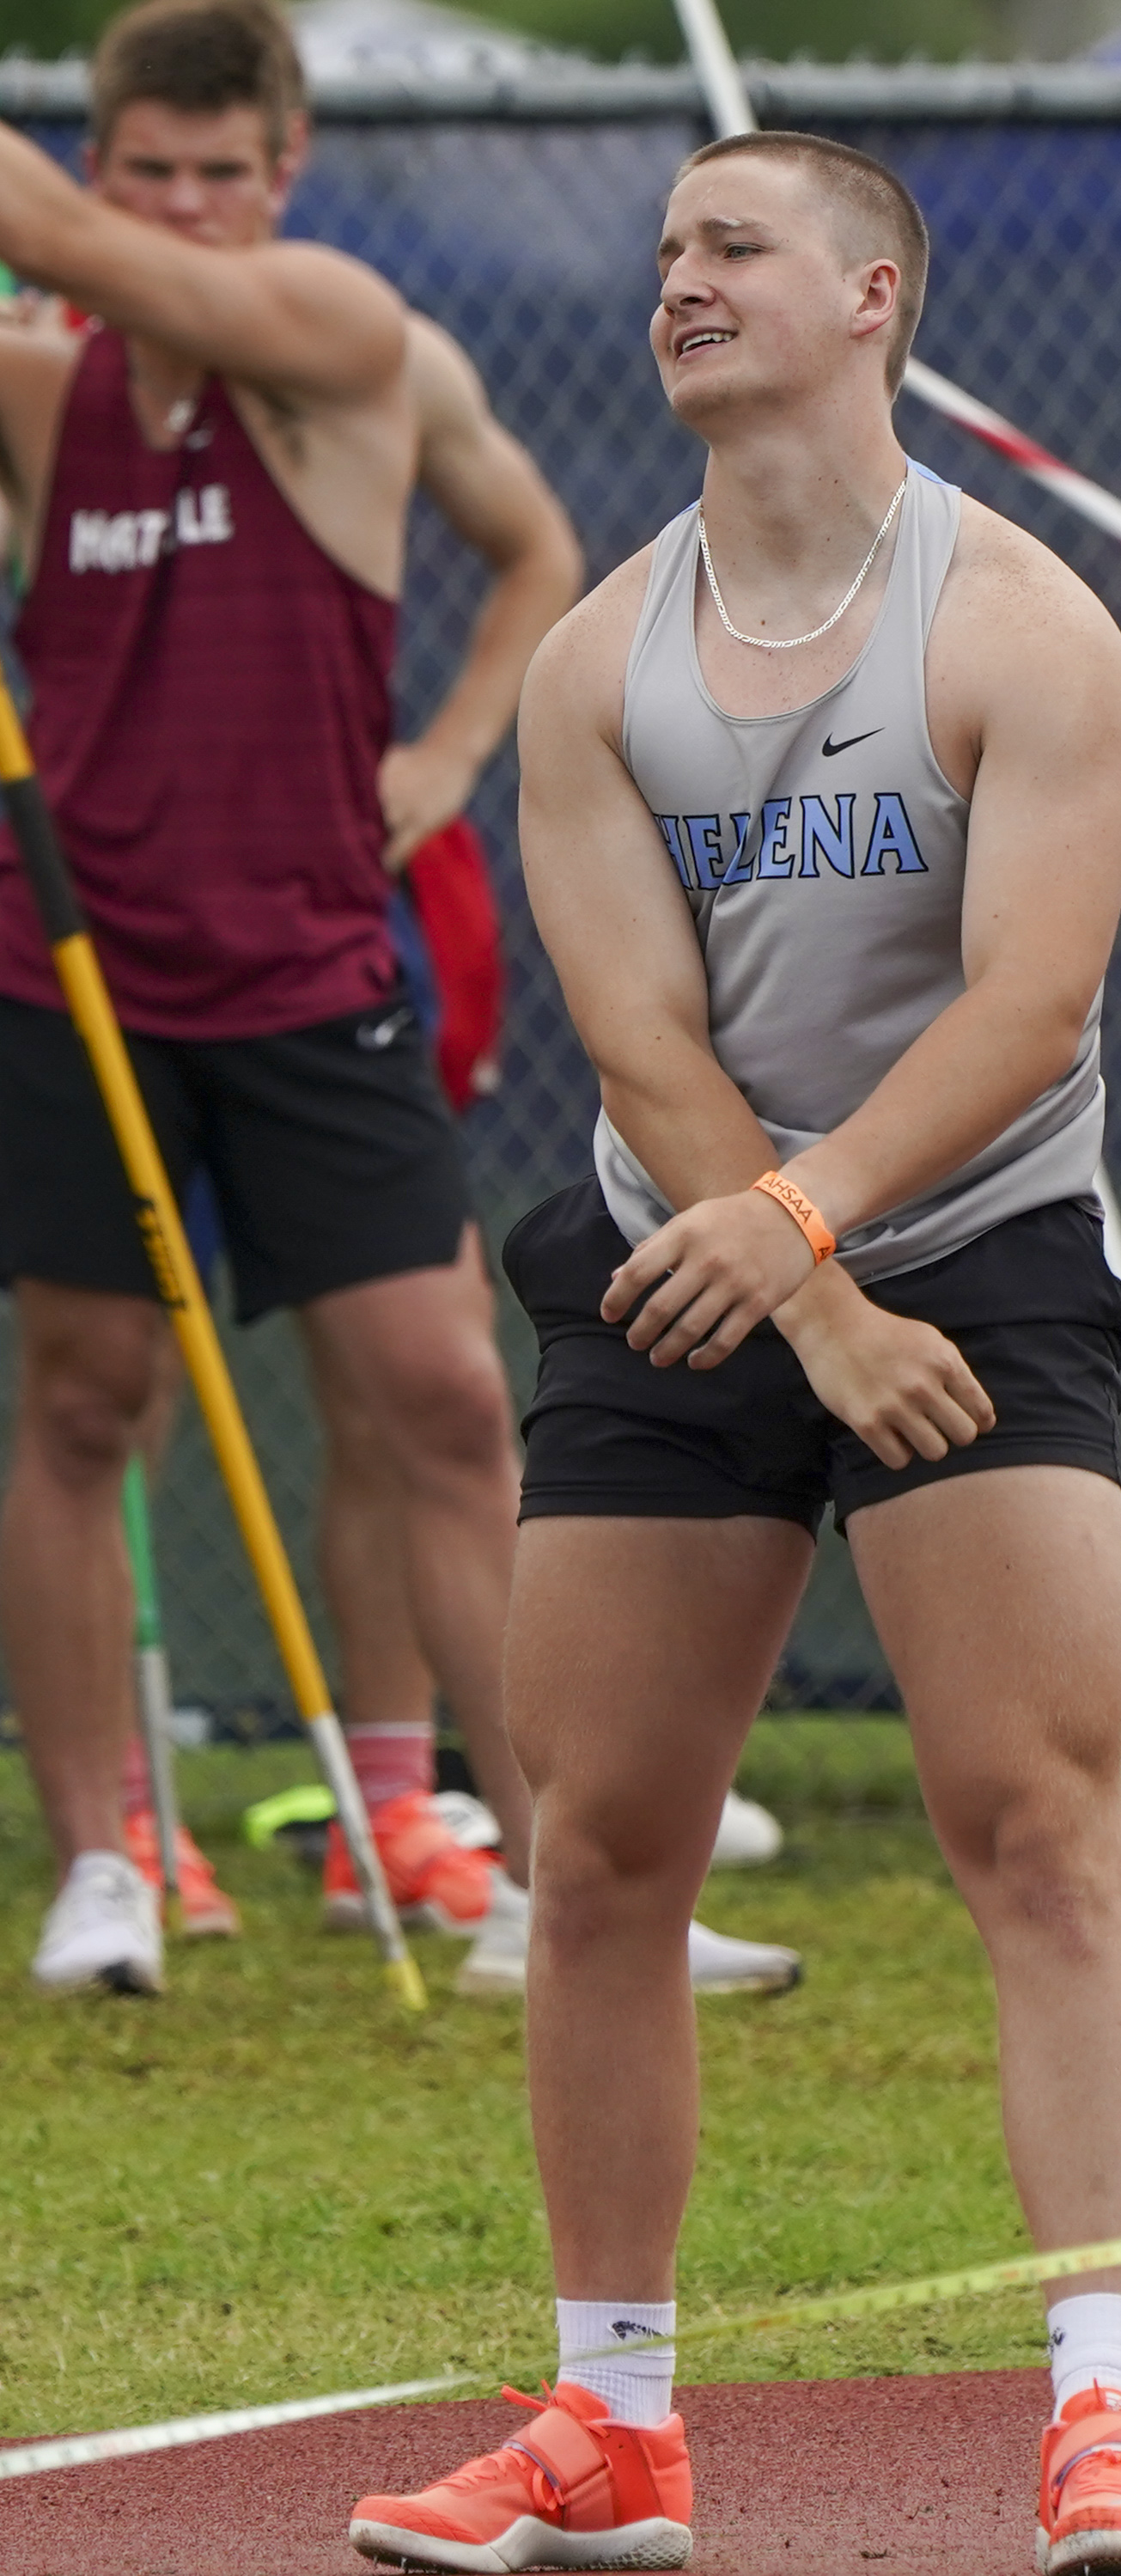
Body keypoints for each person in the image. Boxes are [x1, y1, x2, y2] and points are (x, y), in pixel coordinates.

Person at [350, 130, 1121, 2576]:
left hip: (979, 1246)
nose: (680, 279)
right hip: (696, 1257)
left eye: (733, 244)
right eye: (663, 253)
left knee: (1034, 1819)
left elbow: (1032, 1001)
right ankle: (609, 2435)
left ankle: (1106, 2413)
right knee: (595, 1840)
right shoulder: (602, 655)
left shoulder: (1023, 624)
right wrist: (799, 1284)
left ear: (872, 295)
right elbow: (630, 1024)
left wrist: (837, 1237)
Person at [0, 0, 577, 1997]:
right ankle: (101, 1862)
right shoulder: (38, 388)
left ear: (286, 167)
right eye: (141, 172)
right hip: (72, 964)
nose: (182, 211)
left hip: (311, 958)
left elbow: (535, 553)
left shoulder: (344, 335)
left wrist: (447, 755)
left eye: (217, 174)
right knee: (87, 1398)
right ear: (100, 164)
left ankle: (553, 1883)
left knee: (437, 1386)